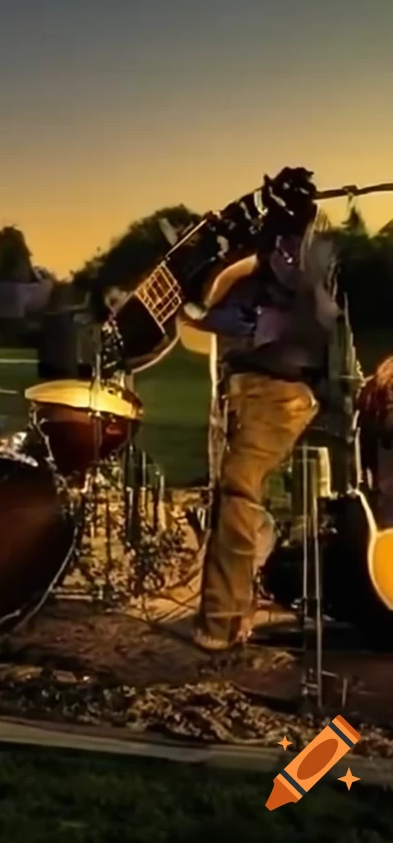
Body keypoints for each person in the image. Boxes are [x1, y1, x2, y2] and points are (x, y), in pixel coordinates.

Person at [180, 202, 340, 651]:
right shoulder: (254, 285)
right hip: (247, 393)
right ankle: (231, 614)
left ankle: (221, 622)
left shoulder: (309, 288)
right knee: (234, 494)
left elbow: (315, 319)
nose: (284, 253)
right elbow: (198, 311)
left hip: (281, 397)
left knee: (238, 488)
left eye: (292, 243)